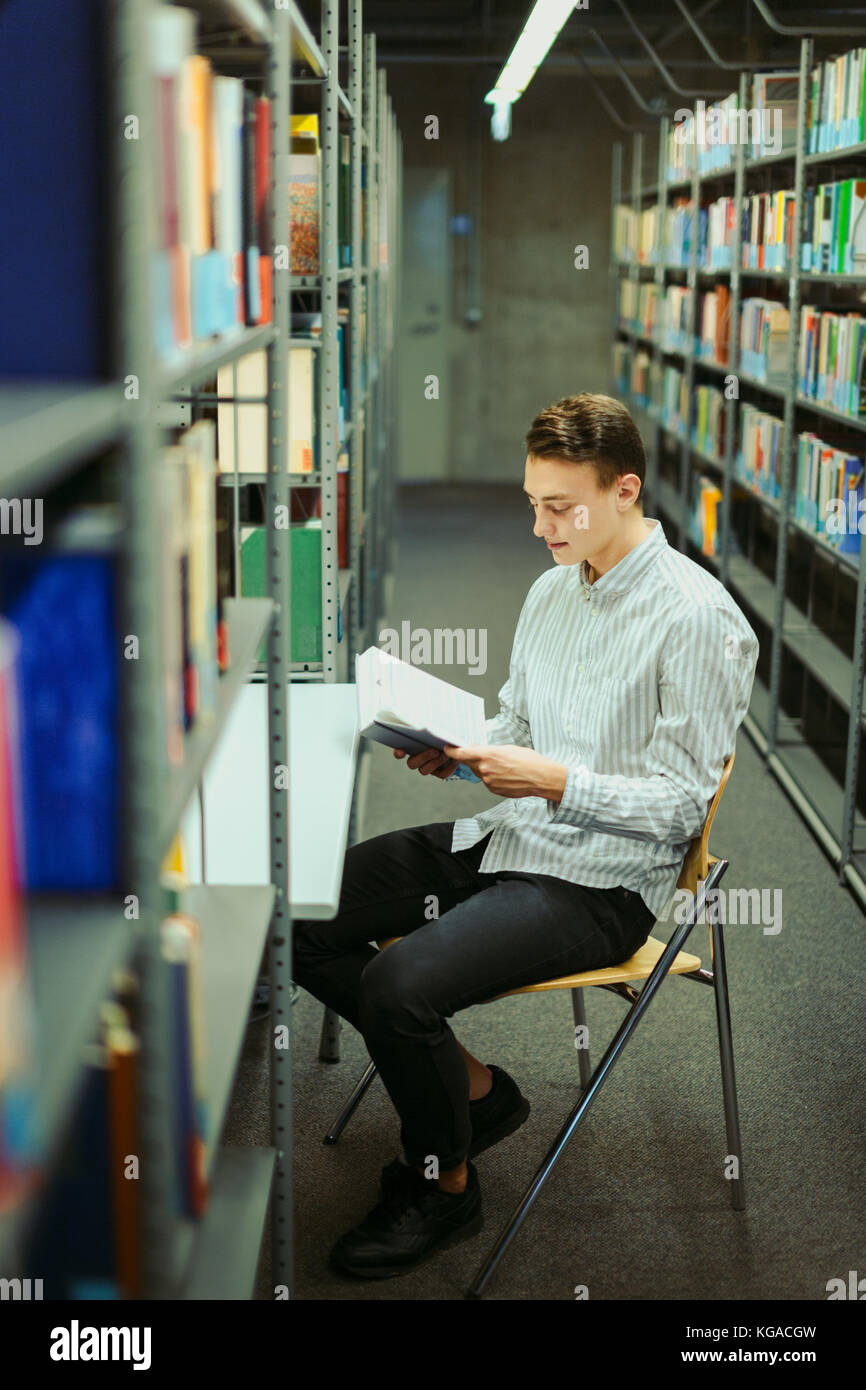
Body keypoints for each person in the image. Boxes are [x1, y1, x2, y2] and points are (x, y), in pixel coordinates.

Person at [293, 392, 759, 1281]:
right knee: (301, 912)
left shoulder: (698, 618)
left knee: (399, 985)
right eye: (532, 503)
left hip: (602, 885)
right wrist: (463, 754)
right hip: (508, 834)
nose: (541, 526)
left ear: (625, 490)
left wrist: (552, 780)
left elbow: (678, 807)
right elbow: (521, 719)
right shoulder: (554, 586)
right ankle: (474, 1092)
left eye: (561, 506)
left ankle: (443, 1186)